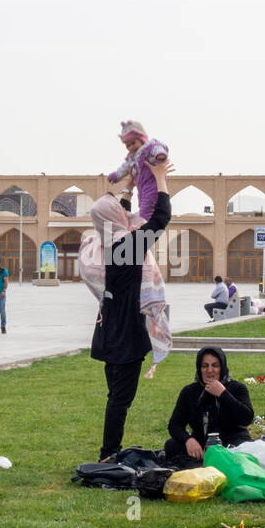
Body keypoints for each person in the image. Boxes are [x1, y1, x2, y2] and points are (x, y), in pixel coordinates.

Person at [82, 156, 172, 461]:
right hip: (124, 335)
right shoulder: (126, 248)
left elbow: (120, 216)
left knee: (116, 397)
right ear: (114, 219)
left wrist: (129, 189)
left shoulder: (104, 243)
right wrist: (160, 179)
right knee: (120, 399)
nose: (125, 213)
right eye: (120, 210)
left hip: (109, 330)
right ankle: (109, 453)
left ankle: (111, 450)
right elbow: (160, 219)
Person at [163, 346, 254, 467]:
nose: (210, 370)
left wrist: (223, 394)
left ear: (222, 368)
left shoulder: (237, 388)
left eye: (215, 365)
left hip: (231, 443)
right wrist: (188, 440)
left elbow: (246, 418)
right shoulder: (190, 391)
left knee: (246, 451)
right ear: (199, 369)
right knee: (171, 446)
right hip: (201, 444)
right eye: (205, 366)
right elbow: (175, 425)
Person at [106, 120, 170, 225]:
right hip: (142, 187)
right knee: (143, 205)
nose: (131, 147)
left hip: (152, 184)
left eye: (133, 143)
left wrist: (160, 155)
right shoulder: (133, 157)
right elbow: (124, 168)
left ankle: (144, 226)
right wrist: (116, 176)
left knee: (147, 208)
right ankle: (144, 224)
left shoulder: (149, 148)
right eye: (128, 145)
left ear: (142, 139)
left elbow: (158, 148)